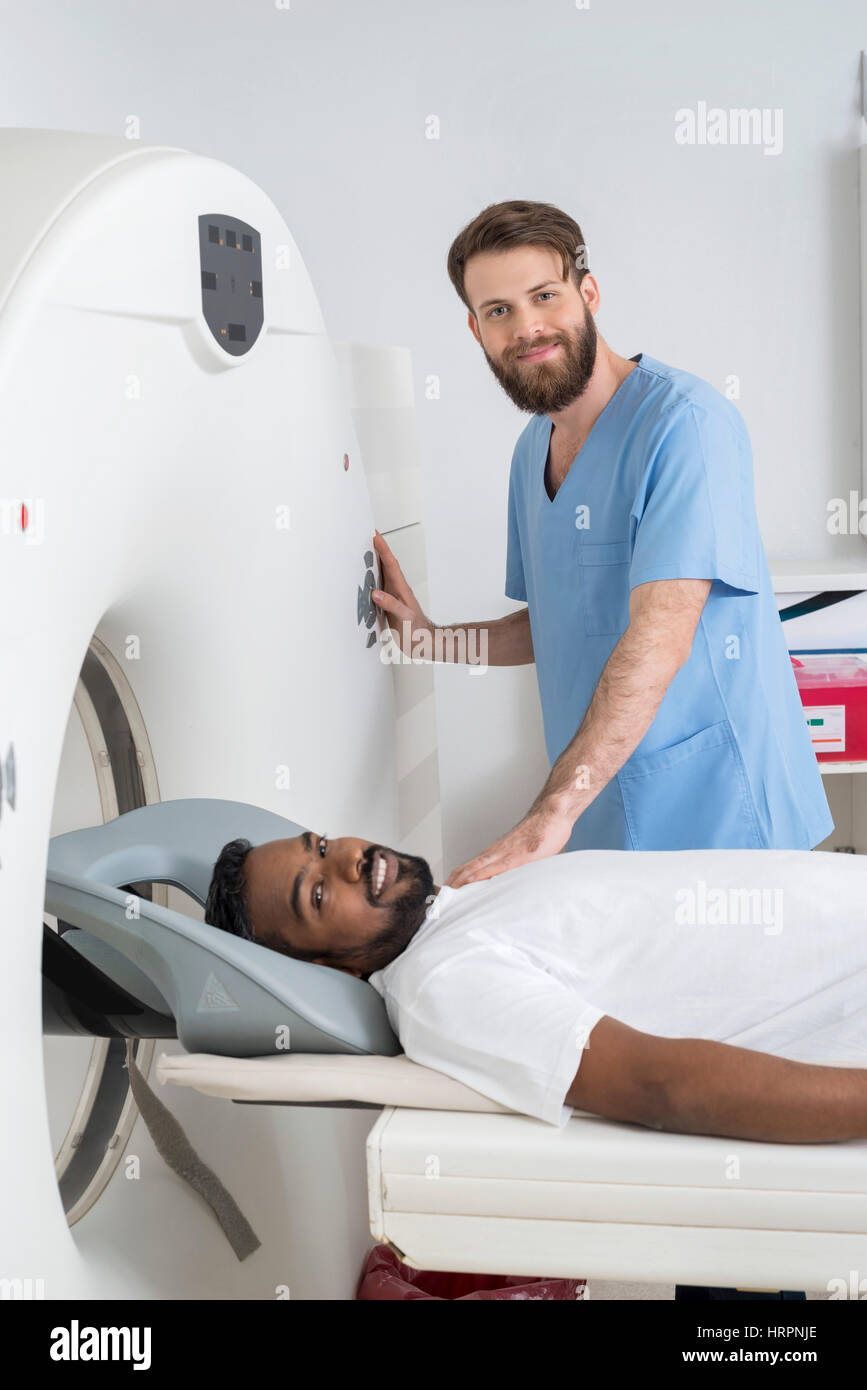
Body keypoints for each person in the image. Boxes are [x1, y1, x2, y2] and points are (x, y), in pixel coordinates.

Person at [369, 199, 836, 1299]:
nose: (525, 325)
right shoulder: (535, 449)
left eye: (540, 295)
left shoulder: (687, 424)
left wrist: (546, 816)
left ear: (587, 288)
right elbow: (555, 621)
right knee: (678, 1133)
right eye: (495, 311)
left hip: (727, 831)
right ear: (474, 333)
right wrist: (426, 634)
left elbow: (659, 624)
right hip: (619, 845)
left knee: (749, 1133)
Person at [204, 828, 867, 1151]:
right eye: (318, 894)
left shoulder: (460, 909)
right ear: (323, 968)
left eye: (319, 845)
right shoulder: (441, 986)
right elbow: (657, 1085)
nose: (348, 860)